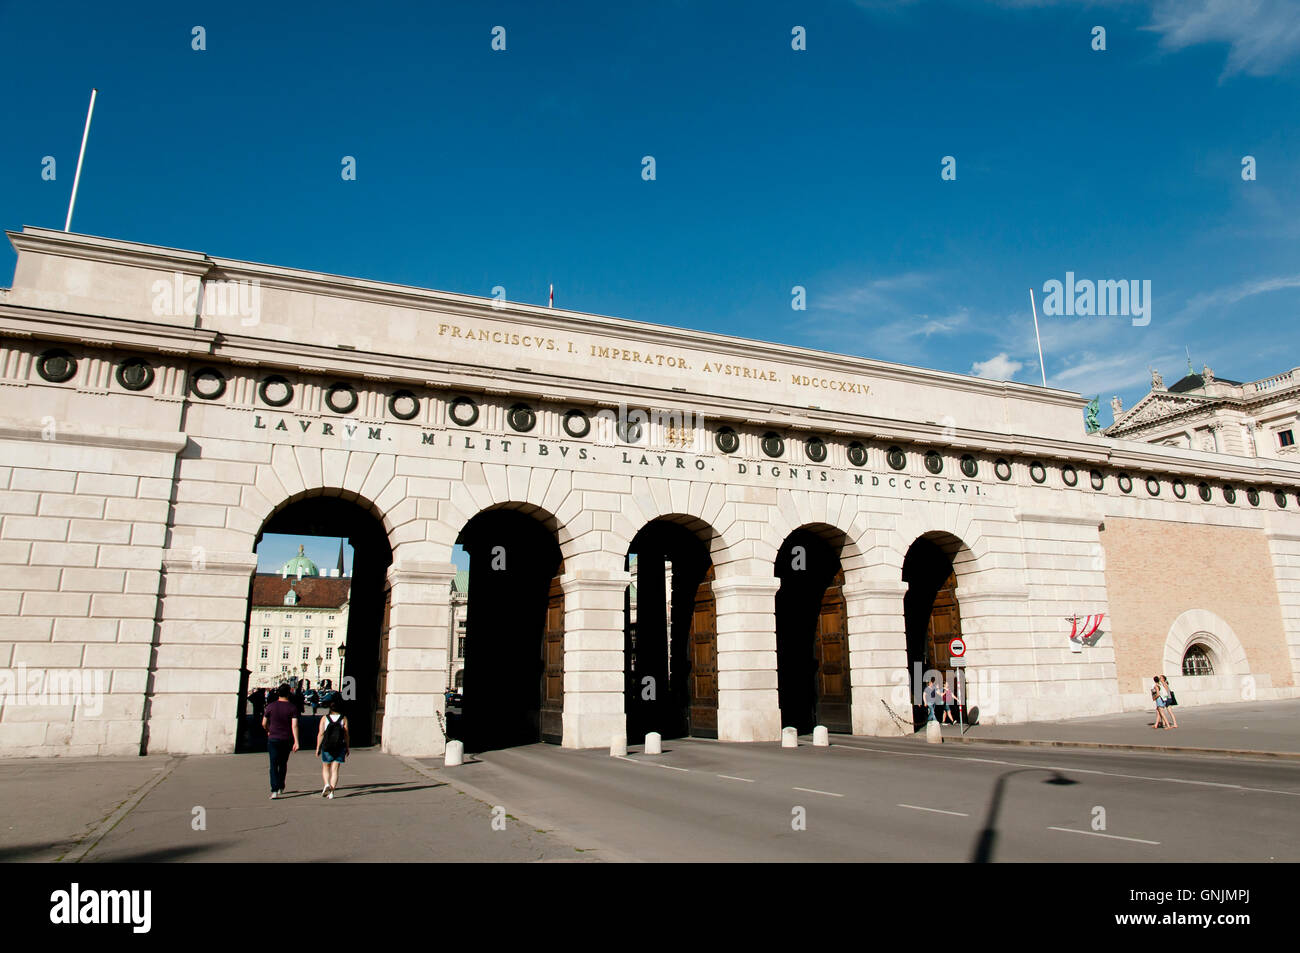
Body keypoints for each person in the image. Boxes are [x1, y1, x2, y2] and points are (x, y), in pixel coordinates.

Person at [262, 684, 299, 797]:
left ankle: (274, 790)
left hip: (273, 738)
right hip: (286, 739)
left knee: (273, 764)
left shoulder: (270, 706)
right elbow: (295, 726)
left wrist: (268, 730)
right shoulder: (292, 707)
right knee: (283, 764)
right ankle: (281, 786)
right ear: (289, 693)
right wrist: (296, 741)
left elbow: (263, 723)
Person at [315, 699, 349, 799]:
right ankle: (332, 793)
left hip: (327, 746)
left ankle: (326, 784)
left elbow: (321, 734)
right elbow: (346, 734)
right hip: (339, 746)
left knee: (326, 767)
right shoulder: (344, 718)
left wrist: (318, 747)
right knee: (335, 770)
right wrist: (347, 746)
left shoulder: (325, 718)